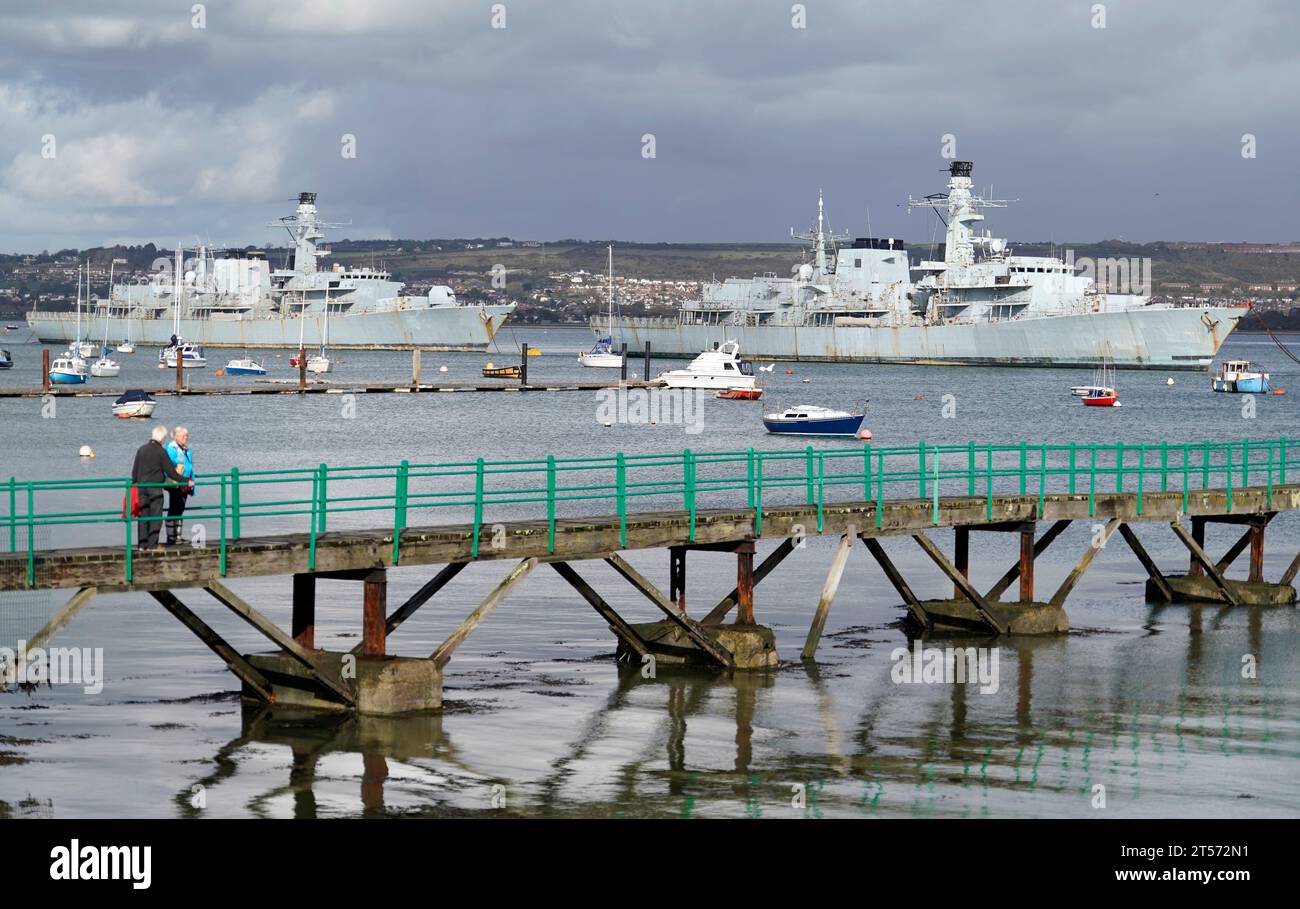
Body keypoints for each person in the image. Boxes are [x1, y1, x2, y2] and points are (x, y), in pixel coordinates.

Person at [130, 425, 188, 550]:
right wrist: (186, 481)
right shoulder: (161, 452)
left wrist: (135, 483)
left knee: (143, 516)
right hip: (155, 487)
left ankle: (142, 544)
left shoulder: (141, 449)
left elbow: (134, 472)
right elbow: (172, 473)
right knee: (156, 516)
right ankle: (152, 544)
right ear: (163, 438)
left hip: (142, 487)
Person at [164, 426, 196, 546]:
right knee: (174, 508)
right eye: (183, 436)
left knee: (181, 508)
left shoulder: (185, 449)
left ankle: (178, 535)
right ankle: (171, 537)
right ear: (176, 436)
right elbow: (172, 462)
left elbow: (189, 465)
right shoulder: (171, 448)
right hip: (175, 483)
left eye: (186, 436)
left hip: (186, 482)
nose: (185, 438)